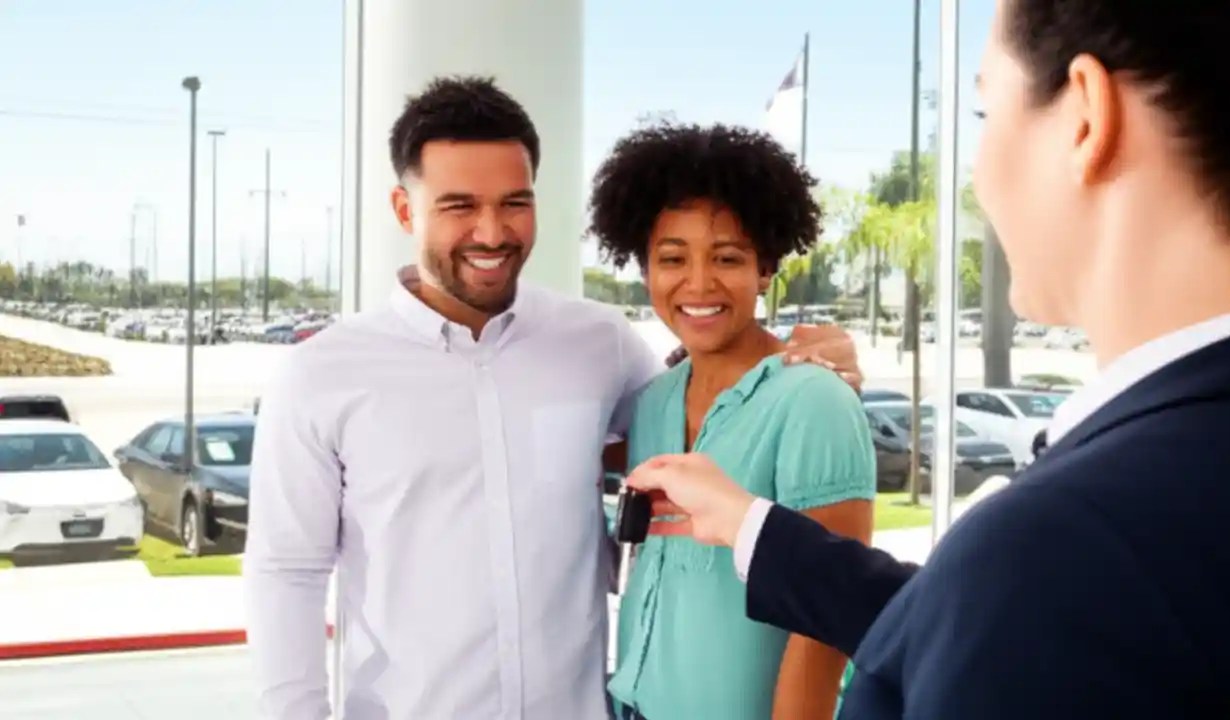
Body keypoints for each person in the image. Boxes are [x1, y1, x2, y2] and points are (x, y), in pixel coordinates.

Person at [623, 1, 1230, 718]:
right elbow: (968, 618)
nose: (976, 172)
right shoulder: (1193, 488)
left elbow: (1007, 618)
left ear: (1086, 117)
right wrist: (752, 526)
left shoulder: (1061, 538)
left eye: (985, 113)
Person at [244, 75, 863, 720]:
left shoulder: (599, 342)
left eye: (514, 202)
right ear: (405, 210)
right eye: (459, 206)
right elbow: (286, 571)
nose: (491, 232)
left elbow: (713, 410)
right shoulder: (320, 375)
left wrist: (809, 364)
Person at [586, 123, 877, 720]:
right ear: (645, 270)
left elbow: (826, 621)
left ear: (765, 268)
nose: (698, 283)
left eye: (727, 258)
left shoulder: (813, 401)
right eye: (672, 259)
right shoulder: (653, 401)